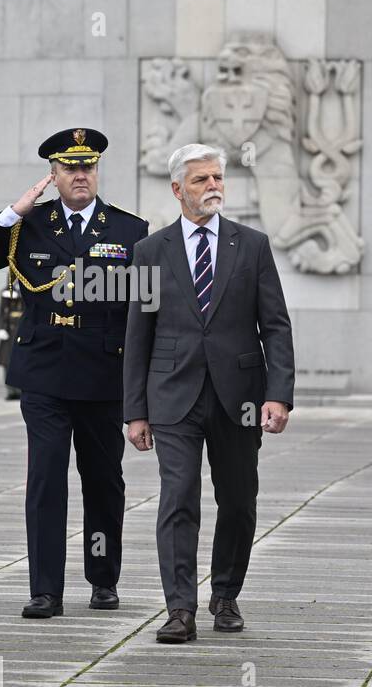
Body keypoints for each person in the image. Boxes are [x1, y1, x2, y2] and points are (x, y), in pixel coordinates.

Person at [0, 127, 148, 619]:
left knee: (104, 480)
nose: (80, 175)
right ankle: (45, 589)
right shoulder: (27, 225)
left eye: (88, 167)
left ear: (97, 171)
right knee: (45, 479)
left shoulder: (130, 230)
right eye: (69, 167)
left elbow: (147, 310)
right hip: (43, 369)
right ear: (54, 174)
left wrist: (144, 388)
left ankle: (103, 579)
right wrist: (10, 213)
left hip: (104, 371)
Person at [123, 143, 296, 646]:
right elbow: (139, 334)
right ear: (178, 190)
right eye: (201, 180)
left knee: (239, 500)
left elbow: (276, 326)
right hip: (173, 394)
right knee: (178, 497)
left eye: (218, 178)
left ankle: (225, 595)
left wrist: (279, 394)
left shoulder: (254, 246)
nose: (213, 187)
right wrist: (135, 410)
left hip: (240, 395)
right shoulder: (150, 252)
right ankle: (180, 608)